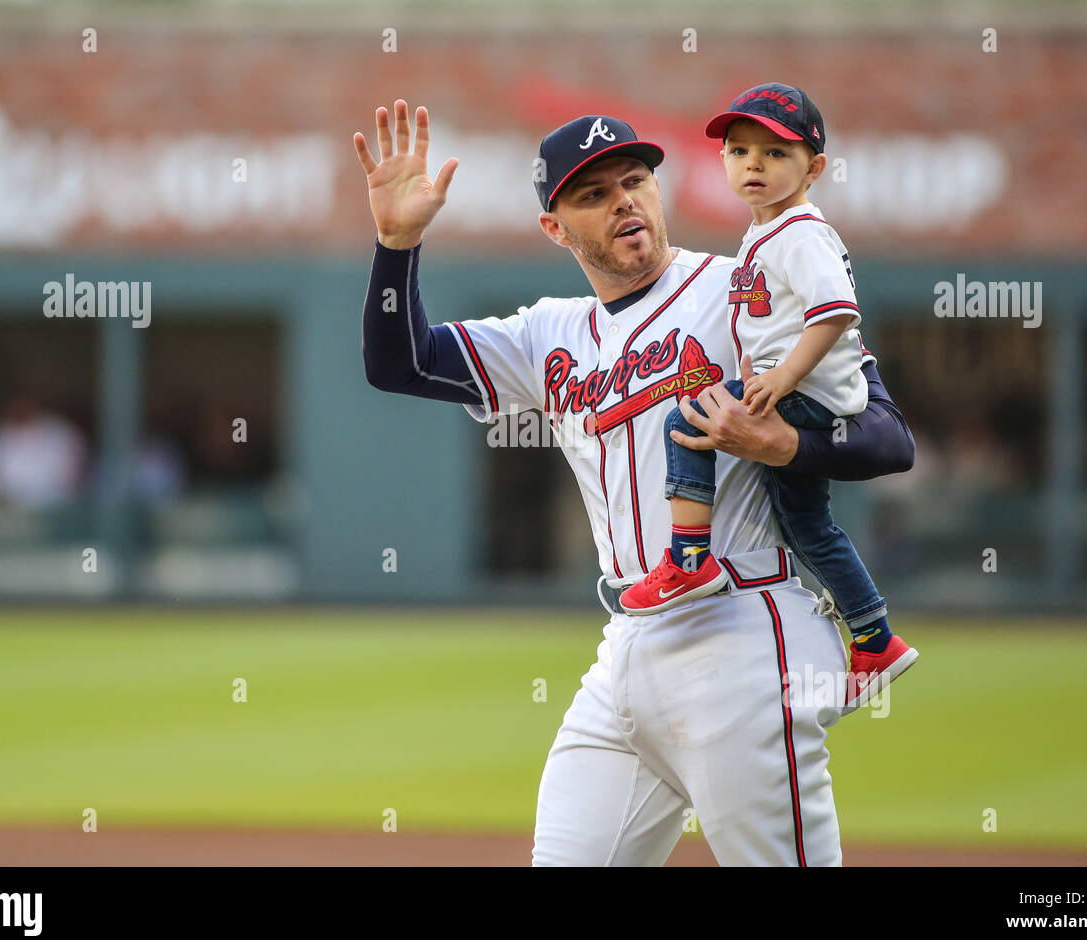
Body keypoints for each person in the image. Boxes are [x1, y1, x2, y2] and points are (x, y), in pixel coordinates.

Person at [355, 101, 914, 866]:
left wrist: (784, 442)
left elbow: (887, 436)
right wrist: (397, 245)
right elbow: (400, 363)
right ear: (555, 228)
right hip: (625, 646)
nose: (623, 199)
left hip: (742, 628)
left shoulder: (741, 288)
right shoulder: (548, 332)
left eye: (634, 179)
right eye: (593, 194)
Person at [616, 84, 918, 712]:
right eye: (738, 150)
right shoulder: (765, 232)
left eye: (775, 153)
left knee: (689, 415)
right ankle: (874, 638)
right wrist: (761, 363)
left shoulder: (801, 231)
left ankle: (690, 557)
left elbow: (835, 314)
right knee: (807, 524)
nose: (752, 164)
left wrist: (781, 379)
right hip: (799, 386)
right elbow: (767, 321)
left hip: (809, 394)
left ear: (814, 168)